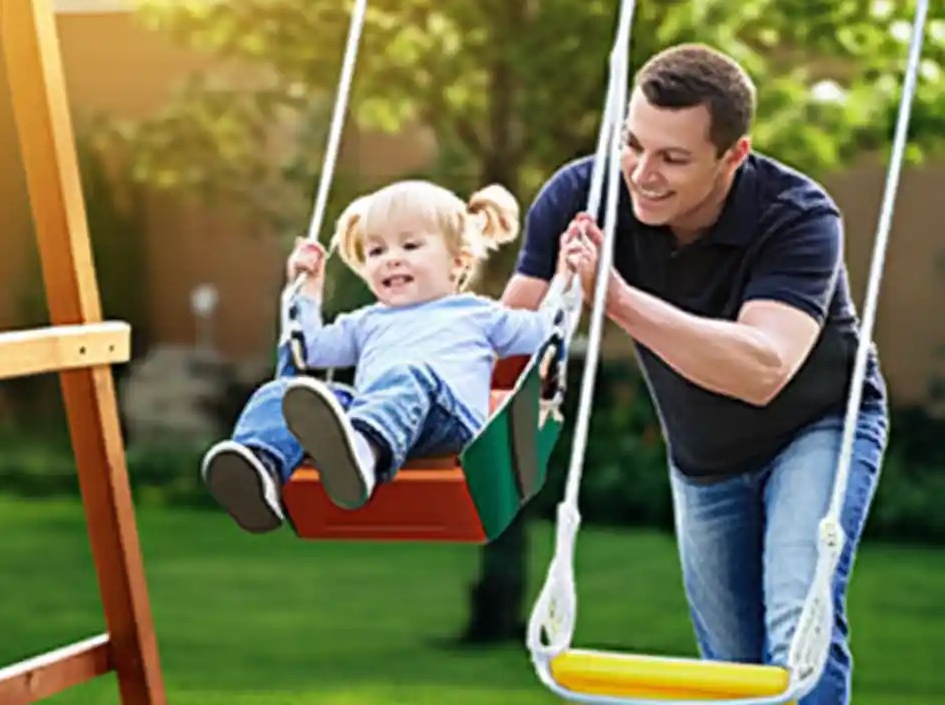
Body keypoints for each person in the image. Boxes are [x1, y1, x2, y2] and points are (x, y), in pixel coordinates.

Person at [503, 43, 888, 704]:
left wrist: (616, 299)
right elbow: (506, 347)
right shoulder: (582, 195)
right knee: (730, 667)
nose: (642, 174)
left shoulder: (797, 216)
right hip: (704, 456)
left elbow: (762, 369)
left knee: (797, 635)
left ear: (733, 156)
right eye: (633, 145)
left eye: (673, 158)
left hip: (814, 430)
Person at [201, 179, 558, 532]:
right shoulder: (367, 321)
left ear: (458, 263)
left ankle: (361, 453)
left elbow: (545, 333)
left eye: (410, 245)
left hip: (450, 421)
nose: (391, 260)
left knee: (408, 376)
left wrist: (568, 277)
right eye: (377, 251)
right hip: (376, 414)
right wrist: (306, 288)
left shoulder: (478, 314)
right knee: (284, 393)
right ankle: (263, 470)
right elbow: (309, 350)